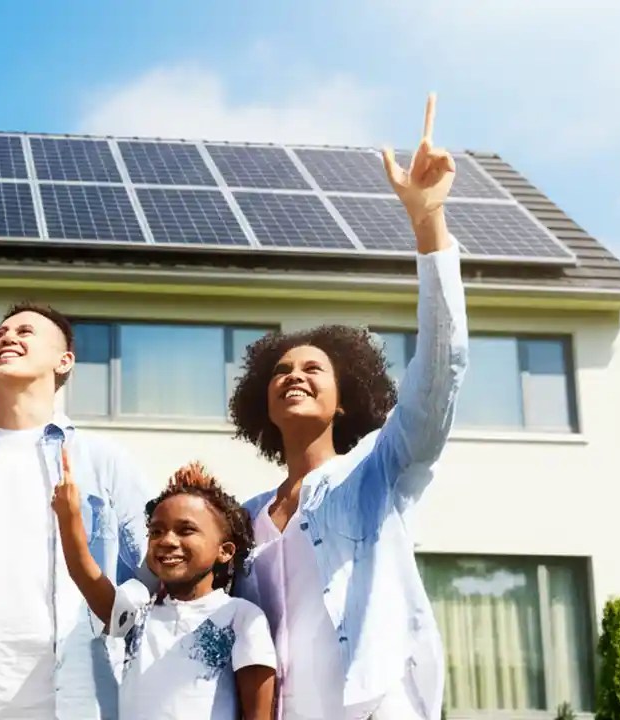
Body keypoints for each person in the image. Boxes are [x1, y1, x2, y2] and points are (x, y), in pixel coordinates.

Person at [226, 93, 469, 720]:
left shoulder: (378, 473)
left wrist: (428, 227)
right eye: (281, 371)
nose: (294, 377)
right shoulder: (245, 520)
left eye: (313, 369)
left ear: (343, 403)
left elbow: (439, 373)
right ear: (264, 402)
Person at [0, 303, 156, 720]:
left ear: (64, 361)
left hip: (73, 698)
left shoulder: (102, 461)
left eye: (25, 331)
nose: (7, 337)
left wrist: (116, 620)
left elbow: (154, 571)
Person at [53, 454, 277, 720]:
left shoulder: (241, 617)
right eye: (156, 531)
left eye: (186, 530)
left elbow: (258, 714)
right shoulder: (138, 615)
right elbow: (86, 575)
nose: (167, 541)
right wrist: (70, 518)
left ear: (225, 551)